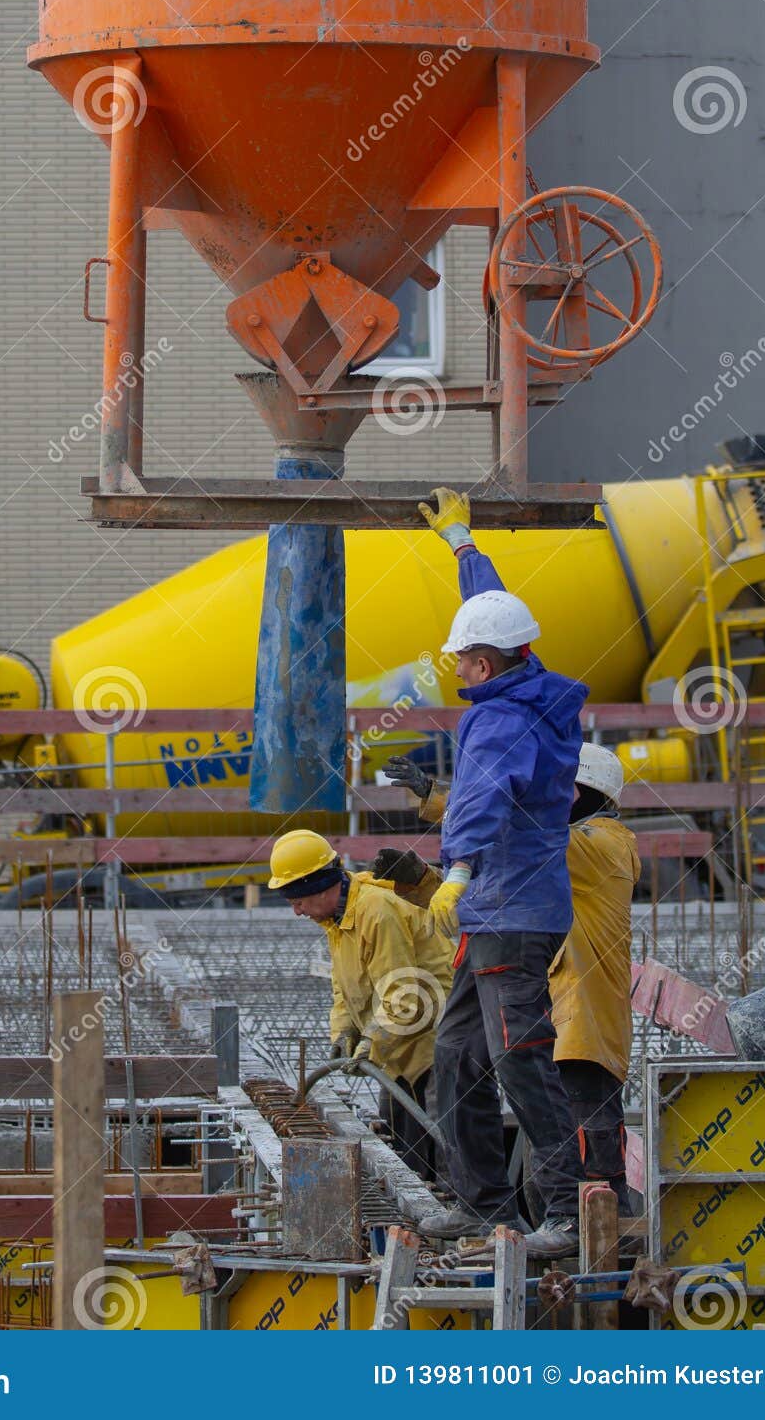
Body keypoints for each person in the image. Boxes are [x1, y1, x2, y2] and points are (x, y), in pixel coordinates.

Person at [388, 486, 588, 1256]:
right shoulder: (526, 680)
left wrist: (457, 871)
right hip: (494, 915)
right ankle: (486, 1206)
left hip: (509, 910)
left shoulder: (502, 719)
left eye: (462, 658)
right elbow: (496, 608)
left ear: (482, 663)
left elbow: (480, 795)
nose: (457, 668)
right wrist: (461, 544)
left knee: (518, 1058)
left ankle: (565, 1212)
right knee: (458, 1057)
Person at [379, 741, 640, 1214]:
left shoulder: (605, 844)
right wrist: (421, 881)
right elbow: (488, 896)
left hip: (581, 1033)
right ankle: (545, 1250)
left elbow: (519, 838)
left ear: (576, 794)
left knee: (592, 1166)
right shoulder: (556, 850)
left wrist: (444, 797)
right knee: (549, 1166)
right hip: (547, 1022)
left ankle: (605, 1255)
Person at [267, 828, 454, 1180]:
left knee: (446, 1139)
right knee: (404, 1148)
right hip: (398, 1042)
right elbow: (345, 987)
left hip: (434, 1041)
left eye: (299, 901)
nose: (297, 911)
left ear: (320, 887)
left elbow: (405, 997)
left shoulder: (376, 911)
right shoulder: (337, 919)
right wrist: (345, 1032)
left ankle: (465, 1218)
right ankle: (420, 1220)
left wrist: (371, 1041)